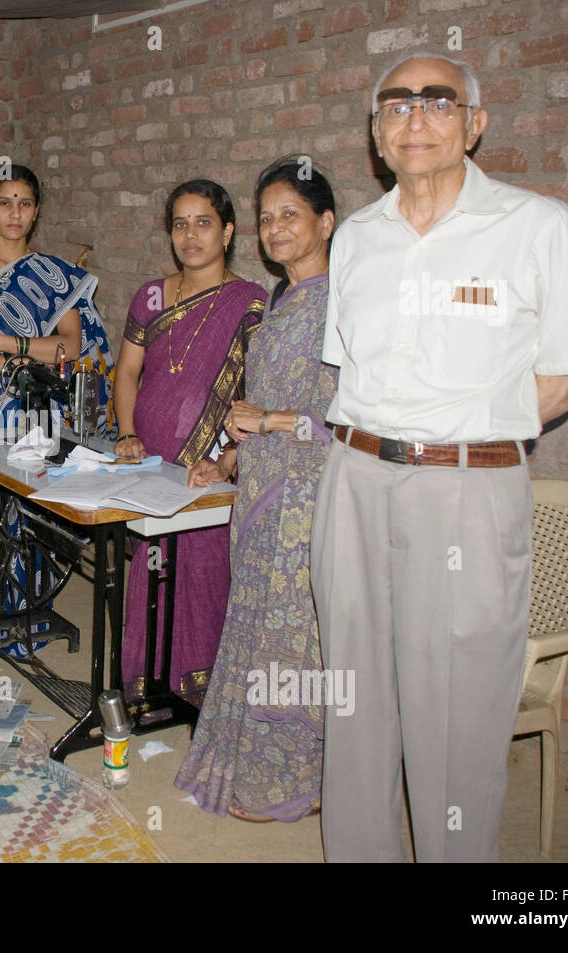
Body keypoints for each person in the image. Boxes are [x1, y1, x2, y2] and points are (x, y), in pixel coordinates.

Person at [312, 52, 568, 862]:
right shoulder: (357, 240)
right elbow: (349, 369)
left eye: (438, 101)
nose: (415, 117)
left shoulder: (535, 224)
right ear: (376, 136)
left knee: (460, 715)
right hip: (355, 482)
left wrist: (453, 433)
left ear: (474, 124)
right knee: (355, 705)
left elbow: (557, 383)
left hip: (470, 491)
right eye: (397, 104)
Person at [174, 156, 338, 822]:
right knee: (258, 632)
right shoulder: (281, 301)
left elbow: (349, 421)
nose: (274, 229)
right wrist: (226, 462)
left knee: (293, 640)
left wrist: (264, 421)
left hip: (308, 501)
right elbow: (264, 409)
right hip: (261, 493)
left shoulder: (341, 304)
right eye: (266, 218)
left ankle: (296, 781)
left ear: (326, 221)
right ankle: (258, 766)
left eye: (289, 215)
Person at [0, 163, 115, 667]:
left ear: (36, 211)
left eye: (24, 203)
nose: (14, 213)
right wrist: (18, 354)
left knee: (26, 518)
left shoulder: (56, 276)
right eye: (4, 202)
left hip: (30, 409)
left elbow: (68, 348)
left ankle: (21, 612)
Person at [112, 180, 266, 702]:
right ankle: (149, 684)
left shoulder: (251, 305)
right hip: (148, 463)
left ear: (227, 231)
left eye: (204, 223)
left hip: (204, 468)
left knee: (200, 568)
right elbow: (127, 371)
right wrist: (128, 433)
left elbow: (259, 399)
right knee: (150, 565)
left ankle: (201, 689)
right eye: (180, 224)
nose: (191, 235)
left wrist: (227, 461)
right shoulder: (151, 297)